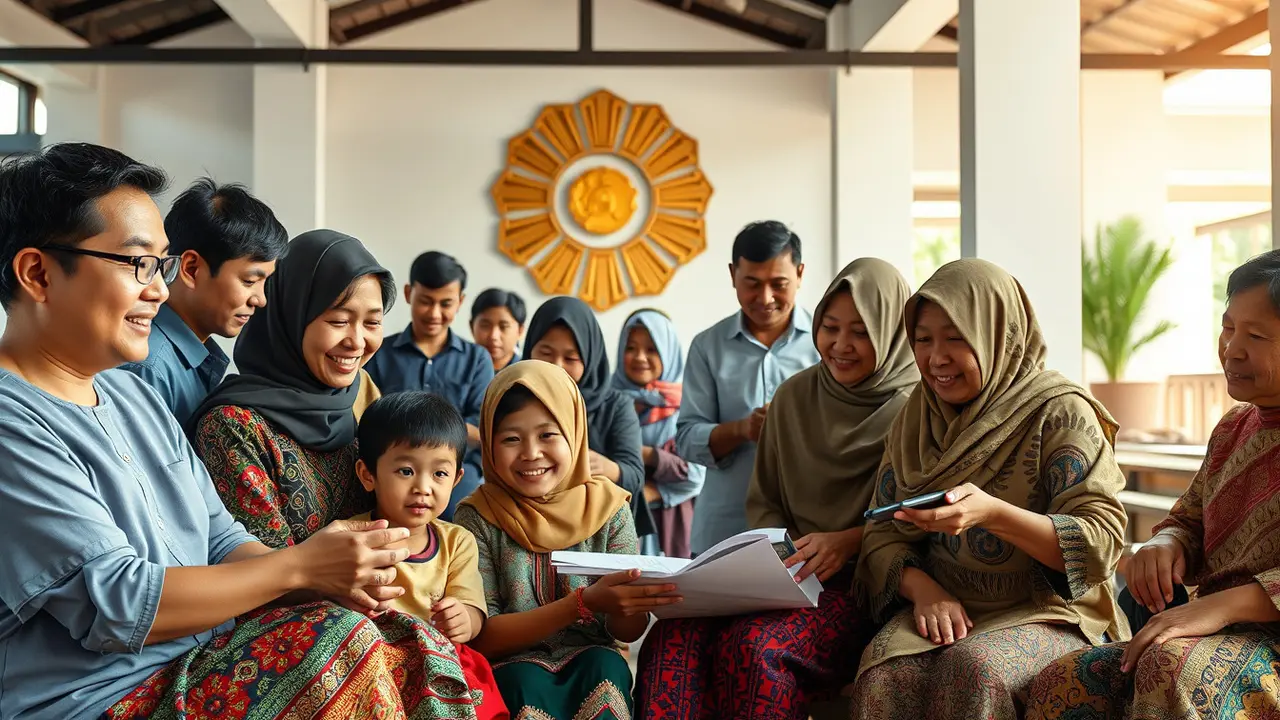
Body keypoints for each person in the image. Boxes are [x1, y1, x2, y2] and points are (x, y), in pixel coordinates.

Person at [0, 142, 482, 720]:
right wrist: (299, 568)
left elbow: (221, 538)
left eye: (163, 264)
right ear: (37, 273)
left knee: (409, 639)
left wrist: (328, 578)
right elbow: (119, 606)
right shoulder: (13, 421)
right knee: (340, 649)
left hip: (194, 658)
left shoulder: (130, 395)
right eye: (138, 265)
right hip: (103, 697)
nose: (158, 289)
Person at [634, 258, 919, 719]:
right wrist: (779, 557)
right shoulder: (793, 396)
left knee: (755, 648)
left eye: (862, 333)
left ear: (891, 333)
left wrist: (848, 542)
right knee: (674, 635)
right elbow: (765, 498)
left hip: (866, 583)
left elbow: (915, 518)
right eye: (830, 327)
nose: (841, 346)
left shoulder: (916, 411)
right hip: (786, 573)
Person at [846, 258, 1130, 720]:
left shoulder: (1060, 413)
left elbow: (1100, 542)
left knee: (974, 668)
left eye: (956, 338)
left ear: (999, 334)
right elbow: (882, 530)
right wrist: (925, 592)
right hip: (947, 602)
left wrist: (993, 514)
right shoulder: (917, 417)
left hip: (1049, 611)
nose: (936, 358)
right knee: (886, 675)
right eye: (923, 339)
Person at [1024, 250, 1280, 720]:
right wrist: (1164, 544)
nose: (1232, 349)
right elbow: (1187, 519)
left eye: (1256, 335)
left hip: (1262, 637)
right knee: (1061, 682)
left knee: (1168, 664)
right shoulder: (1233, 428)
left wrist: (1222, 607)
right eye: (1227, 328)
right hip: (1214, 625)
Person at [455, 361, 683, 719]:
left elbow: (627, 630)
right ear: (489, 444)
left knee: (603, 669)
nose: (531, 453)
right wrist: (582, 602)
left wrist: (633, 601)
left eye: (548, 435)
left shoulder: (609, 507)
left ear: (574, 434)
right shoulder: (478, 516)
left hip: (594, 660)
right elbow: (483, 636)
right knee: (521, 680)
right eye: (511, 439)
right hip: (511, 665)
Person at [192, 229, 393, 548]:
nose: (357, 342)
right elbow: (264, 570)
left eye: (372, 323)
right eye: (339, 321)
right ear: (291, 317)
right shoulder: (233, 428)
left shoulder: (360, 399)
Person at [350, 392, 509, 720]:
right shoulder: (351, 537)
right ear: (368, 475)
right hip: (377, 656)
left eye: (439, 474)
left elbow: (474, 609)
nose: (423, 487)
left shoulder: (456, 541)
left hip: (441, 656)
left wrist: (464, 618)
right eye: (406, 471)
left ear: (457, 478)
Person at [677, 220, 820, 555]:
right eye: (752, 284)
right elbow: (686, 439)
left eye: (779, 284)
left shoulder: (825, 343)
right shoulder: (707, 346)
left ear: (800, 274)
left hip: (807, 529)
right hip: (725, 529)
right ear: (732, 275)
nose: (765, 298)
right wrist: (743, 429)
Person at [119, 177, 287, 426]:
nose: (260, 300)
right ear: (192, 268)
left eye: (265, 283)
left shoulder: (194, 357)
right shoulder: (149, 369)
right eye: (250, 281)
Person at [367, 251, 495, 519]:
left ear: (460, 302)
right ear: (408, 293)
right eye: (425, 301)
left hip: (457, 474)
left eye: (446, 303)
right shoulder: (379, 352)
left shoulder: (477, 359)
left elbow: (485, 430)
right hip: (393, 470)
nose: (435, 313)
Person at [524, 296, 657, 549]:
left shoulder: (616, 405)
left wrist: (608, 468)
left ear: (590, 357)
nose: (556, 366)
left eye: (571, 358)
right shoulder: (514, 400)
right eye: (545, 353)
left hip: (598, 532)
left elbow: (635, 475)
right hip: (525, 524)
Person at [611, 308, 704, 558]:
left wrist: (644, 455)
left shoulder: (689, 406)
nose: (640, 357)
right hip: (615, 526)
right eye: (630, 348)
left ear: (669, 352)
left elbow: (696, 475)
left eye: (652, 349)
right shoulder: (605, 402)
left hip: (671, 526)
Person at [470, 287, 527, 371]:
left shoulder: (526, 374)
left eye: (503, 327)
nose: (493, 336)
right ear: (472, 327)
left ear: (520, 331)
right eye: (485, 326)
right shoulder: (456, 367)